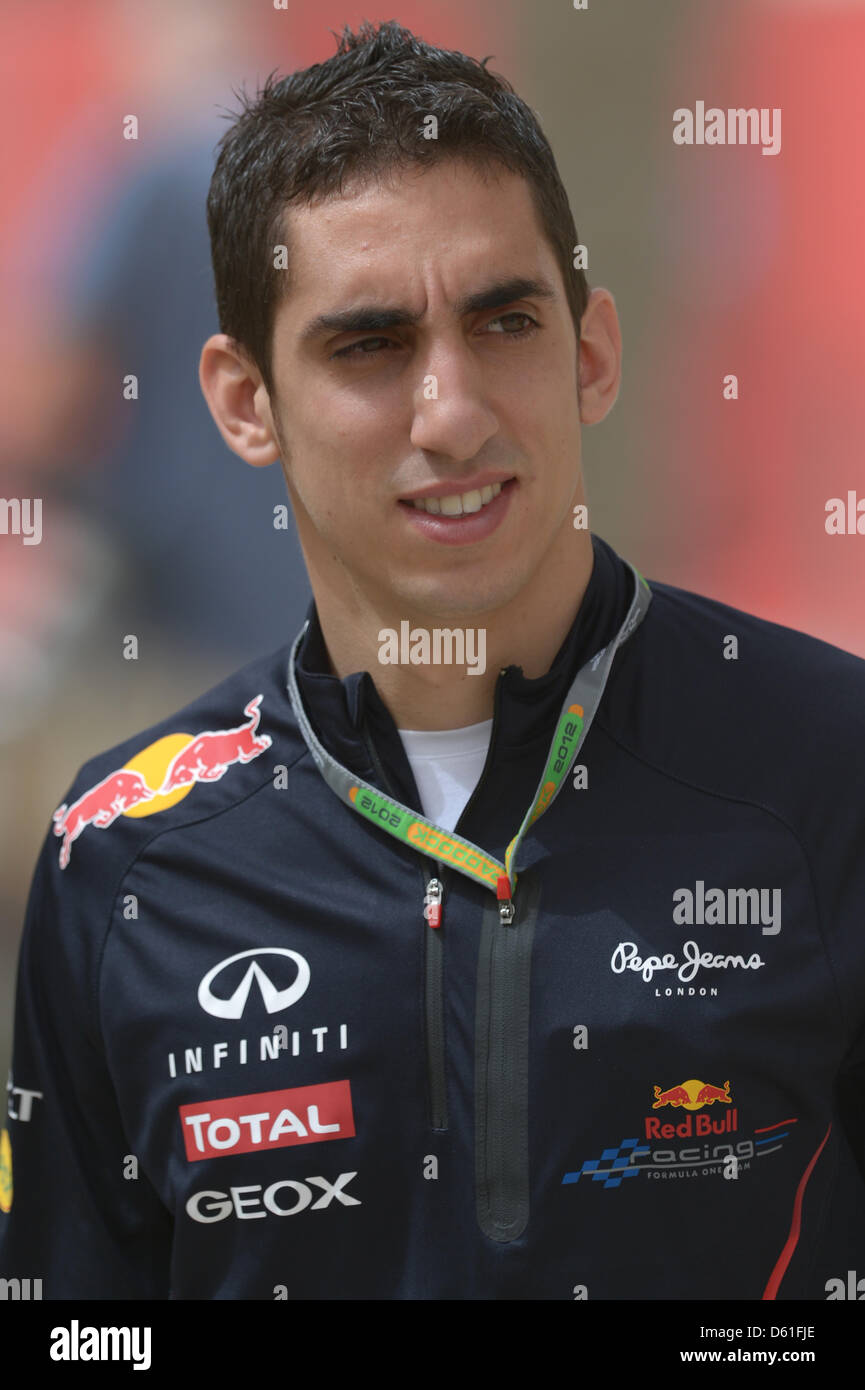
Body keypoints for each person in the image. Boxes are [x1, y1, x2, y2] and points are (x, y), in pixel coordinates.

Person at [2, 20, 864, 1302]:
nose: (453, 412)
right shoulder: (119, 856)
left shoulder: (829, 764)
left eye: (504, 322)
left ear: (591, 351)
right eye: (369, 346)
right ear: (246, 401)